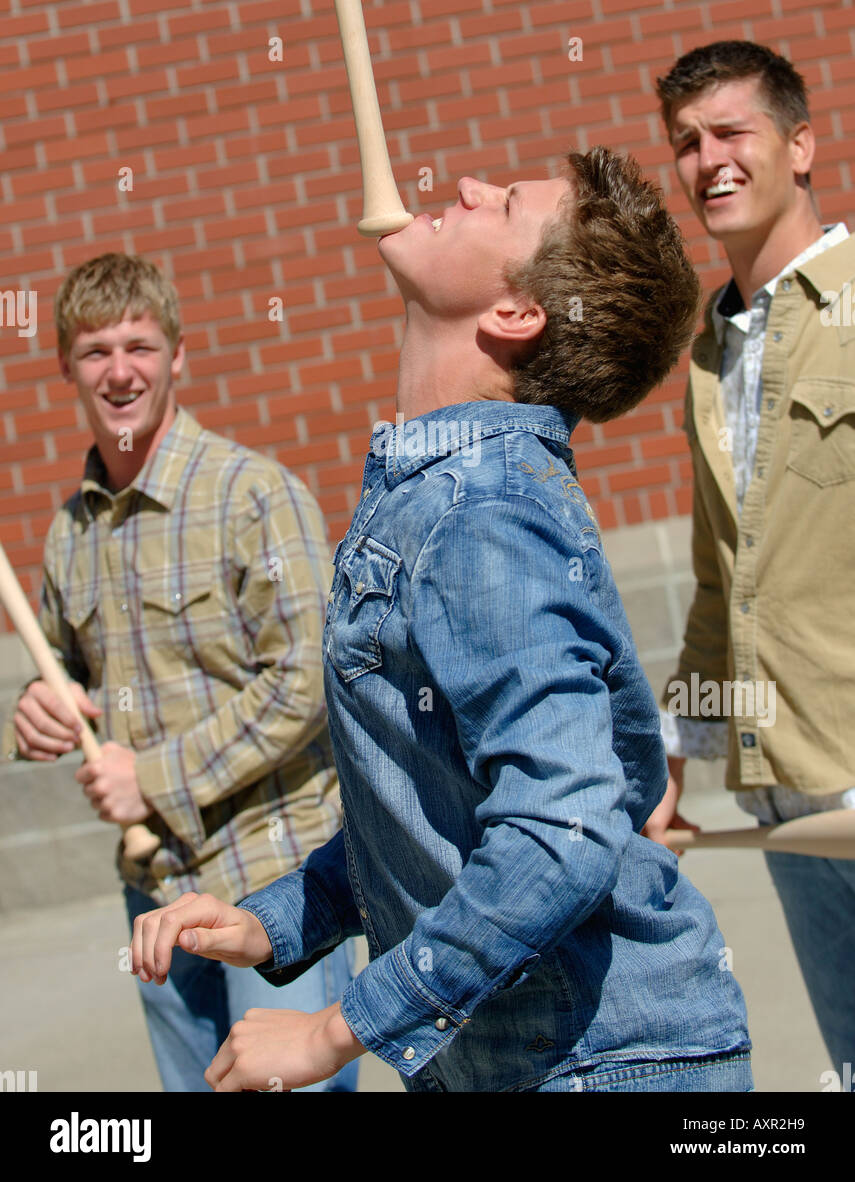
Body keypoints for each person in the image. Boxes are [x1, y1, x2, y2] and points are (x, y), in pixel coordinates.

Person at [130, 148, 753, 1093]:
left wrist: (338, 1029)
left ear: (516, 314)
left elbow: (564, 829)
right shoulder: (449, 498)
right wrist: (282, 919)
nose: (464, 186)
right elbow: (445, 807)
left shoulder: (485, 516)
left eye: (501, 204)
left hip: (601, 1068)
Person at [2, 253, 356, 1093]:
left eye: (140, 346)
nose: (119, 371)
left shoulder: (252, 494)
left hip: (277, 878)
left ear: (178, 355)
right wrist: (36, 713)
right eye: (95, 351)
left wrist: (153, 779)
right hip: (156, 891)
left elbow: (308, 677)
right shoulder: (68, 534)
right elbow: (67, 677)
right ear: (64, 366)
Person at [643, 39, 855, 1089]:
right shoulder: (709, 353)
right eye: (686, 142)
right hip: (789, 800)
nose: (707, 160)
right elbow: (722, 585)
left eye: (732, 132)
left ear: (802, 144)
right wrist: (673, 751)